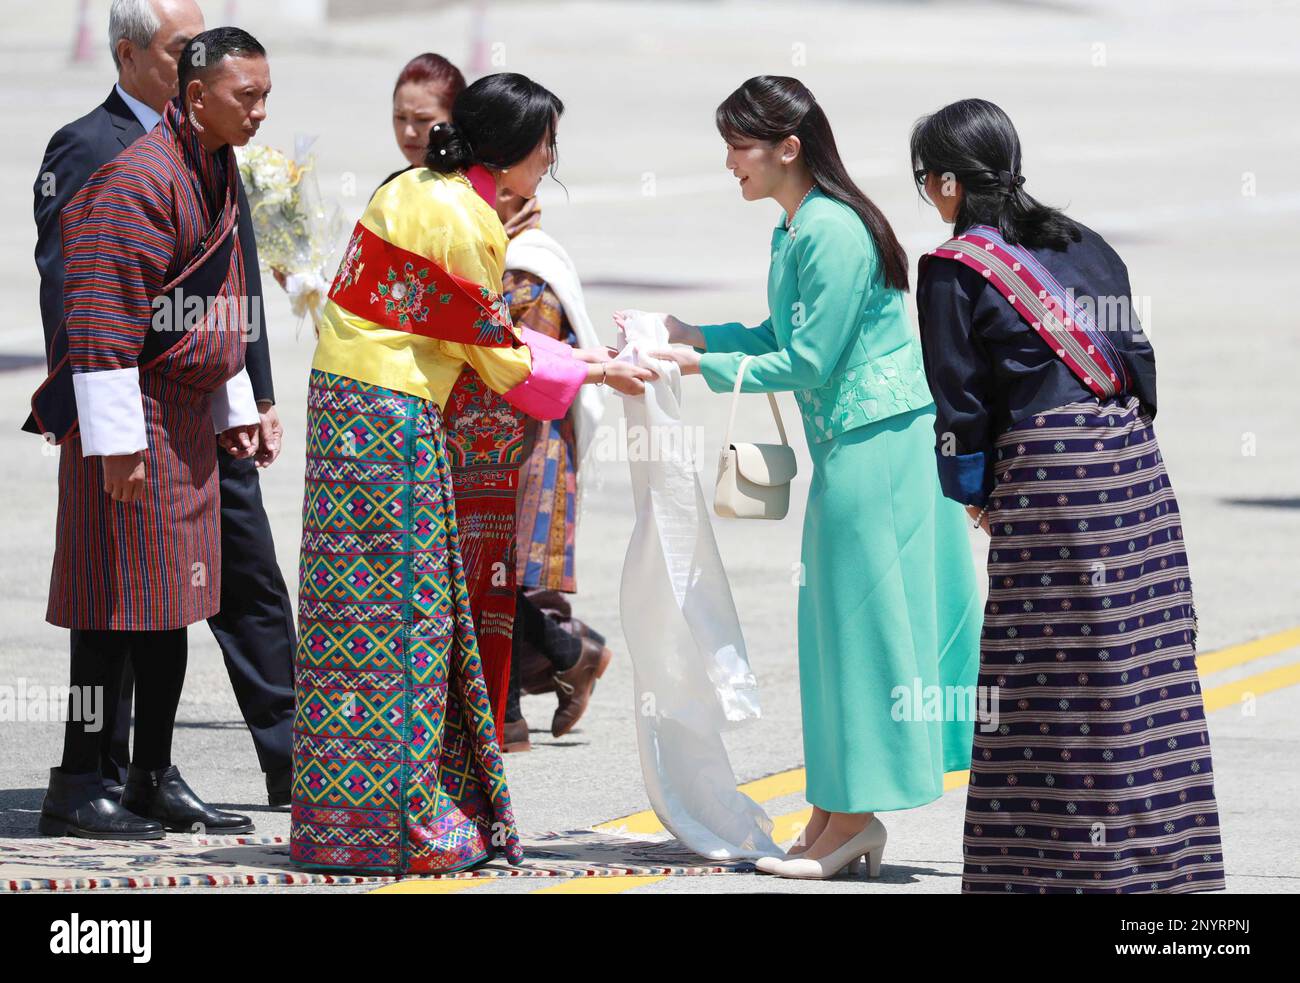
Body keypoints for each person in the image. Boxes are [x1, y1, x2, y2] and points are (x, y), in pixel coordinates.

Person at [290, 73, 655, 875]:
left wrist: (580, 358)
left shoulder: (414, 188)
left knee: (351, 623)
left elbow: (467, 334)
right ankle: (408, 822)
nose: (552, 159)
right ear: (519, 149)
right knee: (411, 624)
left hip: (342, 411)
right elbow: (496, 361)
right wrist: (597, 373)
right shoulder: (468, 221)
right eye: (547, 144)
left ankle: (336, 821)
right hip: (391, 419)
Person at [651, 76, 982, 880]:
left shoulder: (829, 230)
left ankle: (857, 814)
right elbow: (779, 331)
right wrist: (696, 334)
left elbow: (806, 360)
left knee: (860, 628)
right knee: (834, 628)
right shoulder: (798, 228)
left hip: (882, 448)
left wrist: (700, 363)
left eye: (739, 146)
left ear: (787, 148)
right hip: (854, 446)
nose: (729, 162)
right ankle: (838, 809)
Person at [911, 98, 1226, 894]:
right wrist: (1118, 444)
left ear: (947, 183)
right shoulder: (1086, 243)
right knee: (1141, 667)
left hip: (1050, 480)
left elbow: (961, 401)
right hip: (1133, 472)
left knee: (1044, 674)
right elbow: (1138, 361)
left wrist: (974, 491)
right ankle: (1166, 872)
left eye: (926, 181)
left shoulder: (953, 269)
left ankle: (1051, 872)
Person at [28, 0, 296, 816]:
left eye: (264, 96)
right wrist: (110, 439)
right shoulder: (123, 168)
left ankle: (150, 773)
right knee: (117, 605)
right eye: (245, 96)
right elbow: (94, 308)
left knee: (182, 599)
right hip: (133, 414)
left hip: (192, 411)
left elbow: (227, 285)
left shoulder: (209, 160)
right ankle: (86, 777)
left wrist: (242, 394)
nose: (260, 113)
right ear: (194, 91)